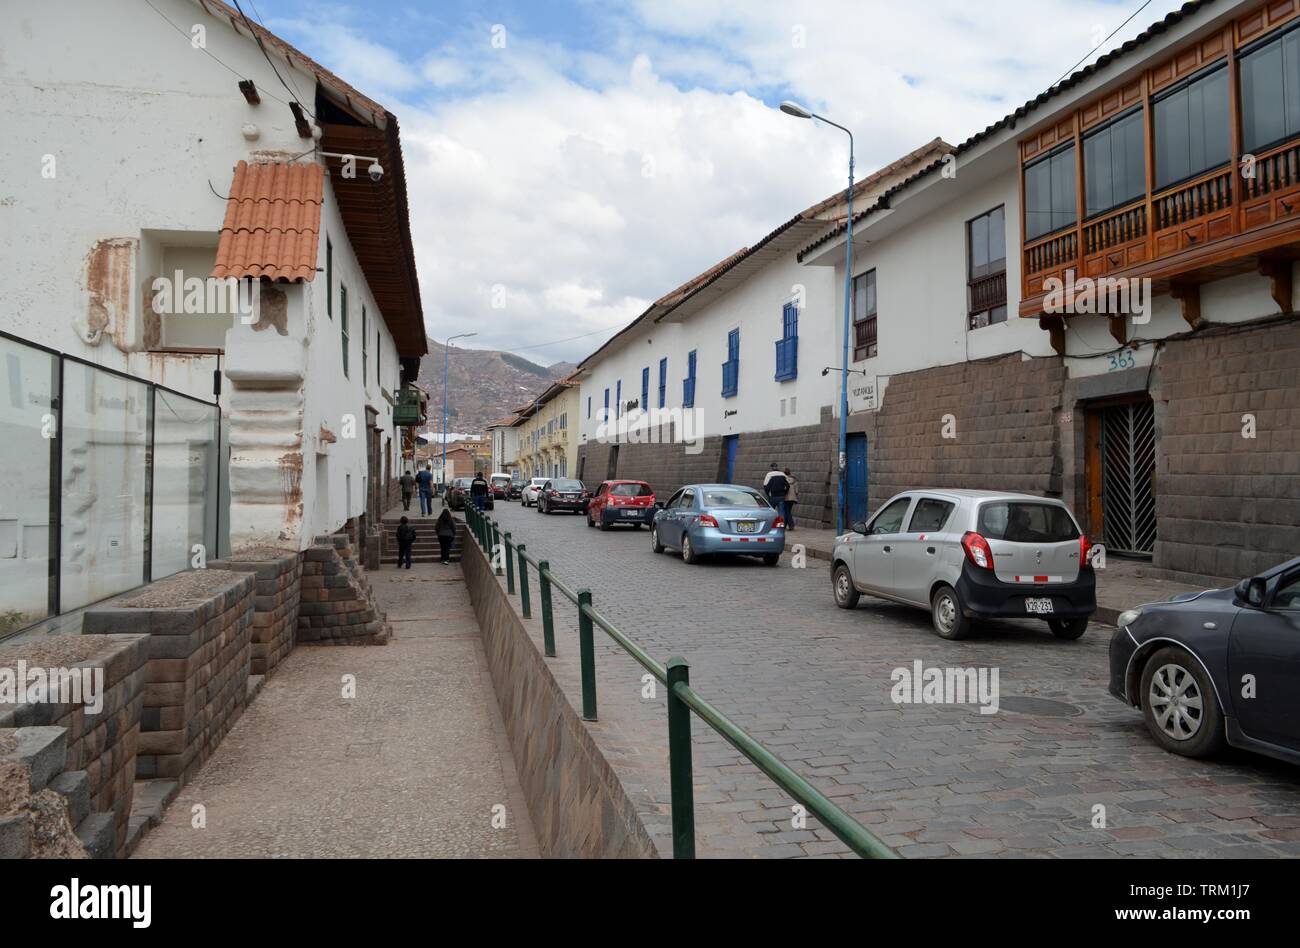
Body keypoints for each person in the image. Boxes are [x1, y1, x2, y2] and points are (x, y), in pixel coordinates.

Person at [782, 467, 798, 532]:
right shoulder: (794, 480)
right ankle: (785, 525)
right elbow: (797, 491)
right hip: (793, 498)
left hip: (786, 497)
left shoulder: (783, 479)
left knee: (787, 511)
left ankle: (791, 525)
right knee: (788, 511)